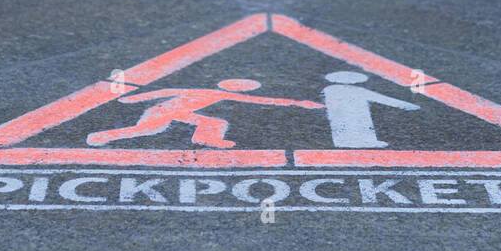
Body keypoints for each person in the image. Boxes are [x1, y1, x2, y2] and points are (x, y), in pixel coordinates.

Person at [86, 78, 323, 149]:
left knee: (215, 121)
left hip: (178, 111)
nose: (240, 90)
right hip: (164, 109)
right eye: (240, 87)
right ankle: (100, 137)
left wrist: (298, 103)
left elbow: (262, 100)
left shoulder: (219, 94)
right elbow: (168, 90)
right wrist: (134, 98)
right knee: (147, 129)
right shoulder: (203, 90)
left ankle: (205, 139)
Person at [321, 71, 420, 148]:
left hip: (338, 111)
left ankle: (342, 140)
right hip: (356, 109)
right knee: (359, 121)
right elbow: (383, 99)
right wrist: (406, 106)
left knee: (344, 122)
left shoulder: (330, 89)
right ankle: (364, 140)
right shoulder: (358, 90)